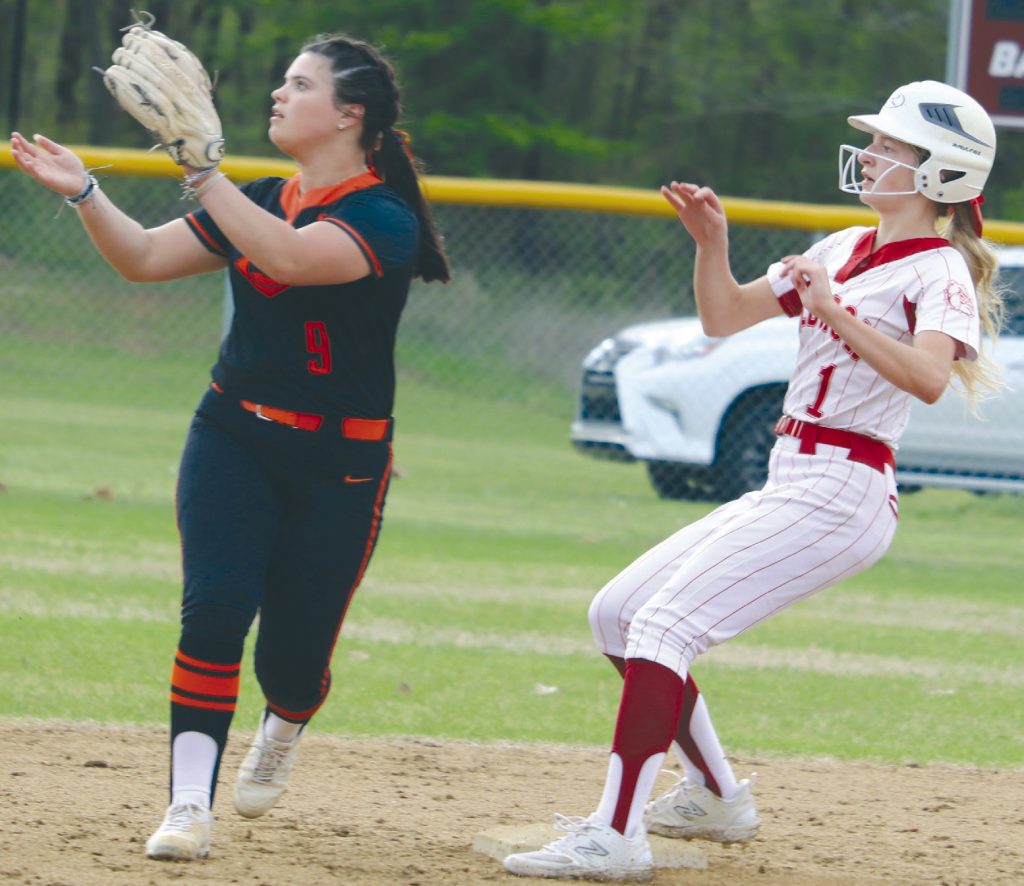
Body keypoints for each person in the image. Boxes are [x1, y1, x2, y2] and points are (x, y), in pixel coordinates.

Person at [502, 80, 1002, 881]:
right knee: (617, 615)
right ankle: (717, 796)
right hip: (792, 476)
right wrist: (713, 244)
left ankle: (615, 835)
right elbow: (724, 317)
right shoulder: (842, 245)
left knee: (663, 627)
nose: (870, 154)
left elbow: (929, 379)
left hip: (845, 491)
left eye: (890, 146)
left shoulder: (938, 269)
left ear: (940, 172)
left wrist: (833, 312)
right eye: (875, 141)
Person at [10, 31, 449, 862]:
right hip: (233, 434)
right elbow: (144, 258)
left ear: (350, 114)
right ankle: (187, 805)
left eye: (301, 84)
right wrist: (86, 194)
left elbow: (289, 257)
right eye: (284, 81)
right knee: (213, 614)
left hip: (340, 464)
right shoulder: (260, 195)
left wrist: (203, 173)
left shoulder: (381, 217)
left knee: (291, 661)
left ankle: (285, 721)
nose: (279, 94)